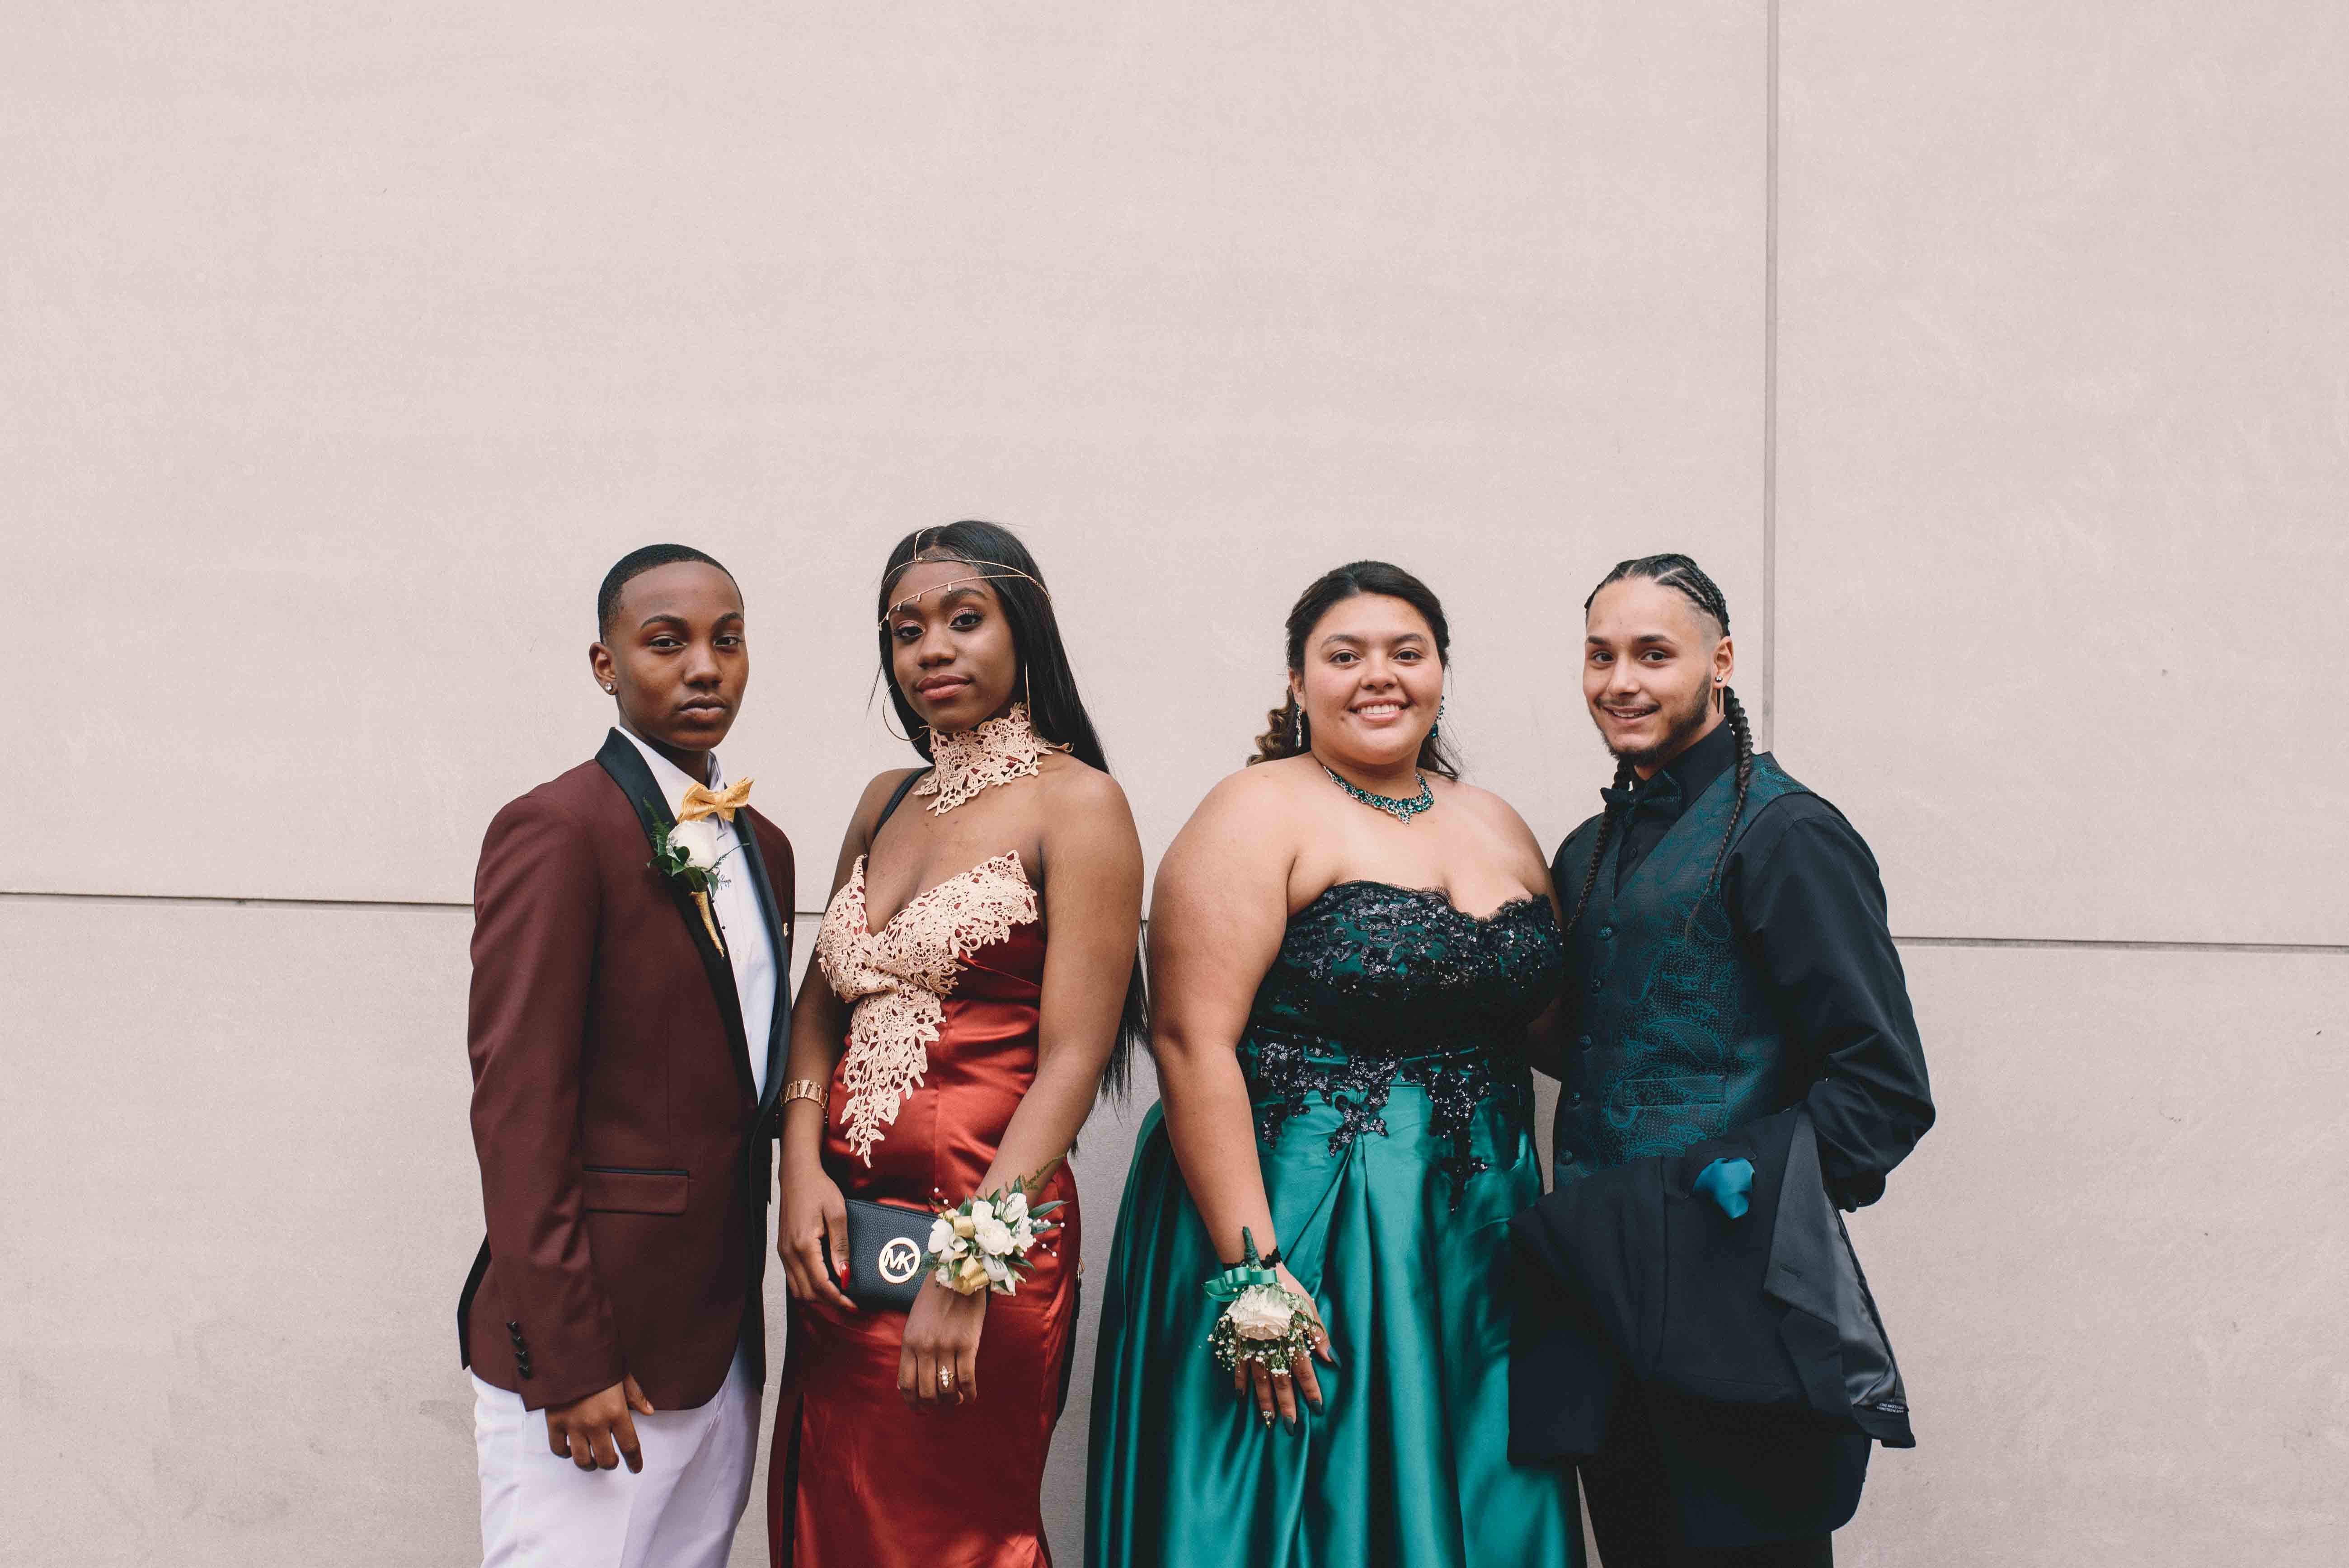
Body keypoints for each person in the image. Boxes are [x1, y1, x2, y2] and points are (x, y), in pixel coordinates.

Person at [1086, 561, 1580, 1568]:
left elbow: (1551, 1024)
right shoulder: (1255, 809)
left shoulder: (1496, 821)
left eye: (1407, 652)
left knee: (1480, 1500)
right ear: (1297, 677)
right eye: (1343, 655)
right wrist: (1252, 1272)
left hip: (1478, 1233)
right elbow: (1190, 1041)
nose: (1377, 676)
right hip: (1309, 1217)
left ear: (1442, 670)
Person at [1527, 552, 1935, 1566]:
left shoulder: (1788, 832)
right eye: (1600, 654)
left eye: (1652, 654)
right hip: (1601, 1307)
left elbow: (1882, 1089)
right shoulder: (1585, 849)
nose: (1621, 680)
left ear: (1720, 661)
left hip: (1738, 1306)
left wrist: (1734, 1222)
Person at [769, 521, 1146, 1567]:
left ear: (1024, 630)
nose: (932, 648)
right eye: (905, 630)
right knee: (837, 1516)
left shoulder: (1081, 804)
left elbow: (1075, 1055)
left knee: (957, 1536)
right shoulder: (883, 800)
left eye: (963, 619)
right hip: (839, 1236)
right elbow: (816, 1007)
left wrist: (971, 1263)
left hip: (985, 1227)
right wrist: (796, 1170)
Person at [459, 544, 794, 1568]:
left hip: (720, 1349)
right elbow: (518, 1116)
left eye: (727, 641)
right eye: (667, 642)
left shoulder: (763, 846)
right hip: (592, 1357)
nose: (705, 667)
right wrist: (569, 1359)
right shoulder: (557, 829)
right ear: (605, 665)